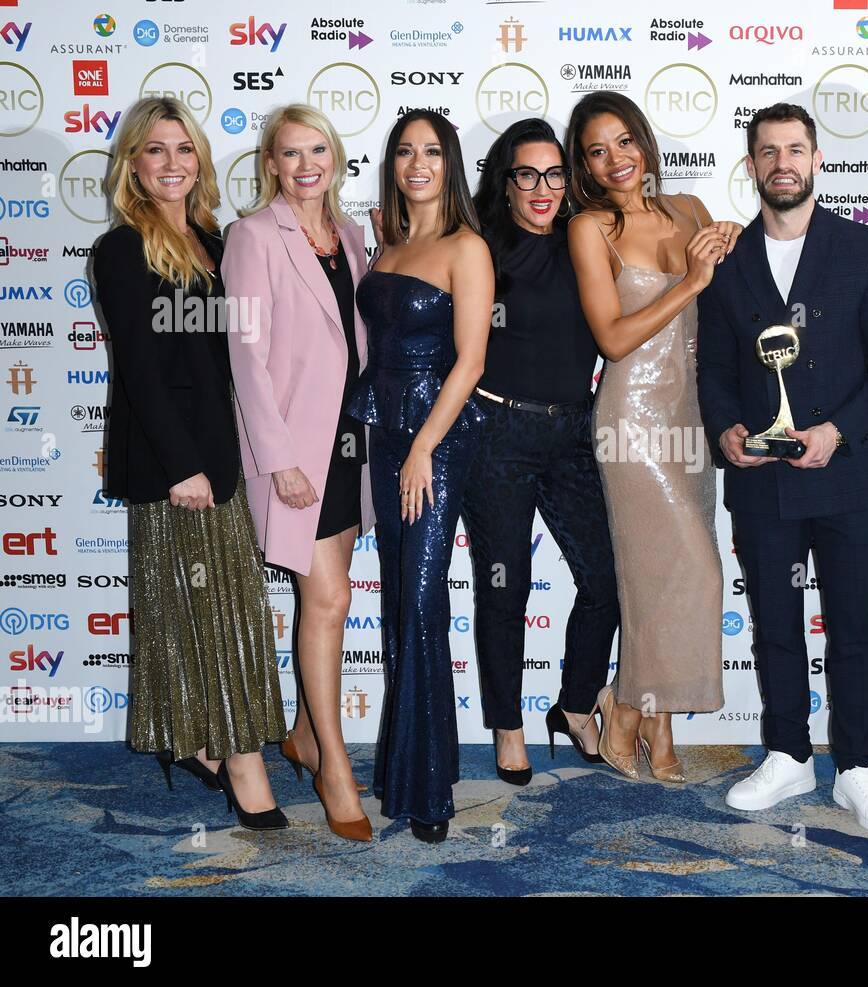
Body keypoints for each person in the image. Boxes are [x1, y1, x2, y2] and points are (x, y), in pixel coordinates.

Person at [697, 103, 868, 832]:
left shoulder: (862, 248)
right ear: (752, 164)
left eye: (796, 149)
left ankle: (855, 766)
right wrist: (726, 427)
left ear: (818, 160)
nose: (782, 162)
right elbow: (717, 370)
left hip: (847, 475)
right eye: (768, 151)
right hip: (762, 480)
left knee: (853, 626)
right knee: (776, 626)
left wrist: (839, 430)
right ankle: (788, 754)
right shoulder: (727, 261)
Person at [94, 96, 287, 831]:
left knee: (228, 606)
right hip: (177, 466)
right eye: (155, 151)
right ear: (133, 166)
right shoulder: (121, 249)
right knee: (195, 608)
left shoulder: (211, 238)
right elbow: (139, 370)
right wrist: (181, 465)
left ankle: (204, 738)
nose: (172, 163)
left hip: (222, 454)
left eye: (183, 149)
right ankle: (240, 760)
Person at [566, 90, 740, 782]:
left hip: (690, 414)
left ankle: (649, 722)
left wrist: (726, 246)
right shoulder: (590, 229)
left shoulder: (690, 211)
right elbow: (611, 336)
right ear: (584, 165)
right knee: (681, 568)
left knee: (670, 579)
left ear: (645, 141)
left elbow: (721, 305)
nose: (615, 160)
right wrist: (692, 277)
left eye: (624, 142)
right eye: (597, 151)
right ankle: (629, 709)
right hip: (631, 419)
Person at [224, 104, 375, 843]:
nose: (306, 163)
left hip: (348, 444)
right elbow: (245, 357)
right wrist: (278, 458)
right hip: (294, 454)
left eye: (318, 149)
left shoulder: (351, 235)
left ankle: (302, 733)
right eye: (291, 153)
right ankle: (332, 765)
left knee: (329, 605)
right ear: (272, 164)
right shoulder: (251, 236)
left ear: (335, 156)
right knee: (331, 598)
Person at [345, 109, 492, 843]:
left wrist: (424, 447)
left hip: (439, 436)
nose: (416, 163)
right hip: (387, 428)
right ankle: (408, 770)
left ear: (450, 163)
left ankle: (429, 788)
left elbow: (470, 360)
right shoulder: (394, 243)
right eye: (405, 151)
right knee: (400, 597)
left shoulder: (467, 246)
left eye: (431, 151)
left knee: (423, 596)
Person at [460, 118, 619, 785]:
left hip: (574, 432)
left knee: (609, 580)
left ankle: (576, 704)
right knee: (506, 587)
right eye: (527, 174)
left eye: (555, 174)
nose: (543, 188)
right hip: (499, 433)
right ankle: (508, 727)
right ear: (506, 179)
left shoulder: (587, 237)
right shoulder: (480, 248)